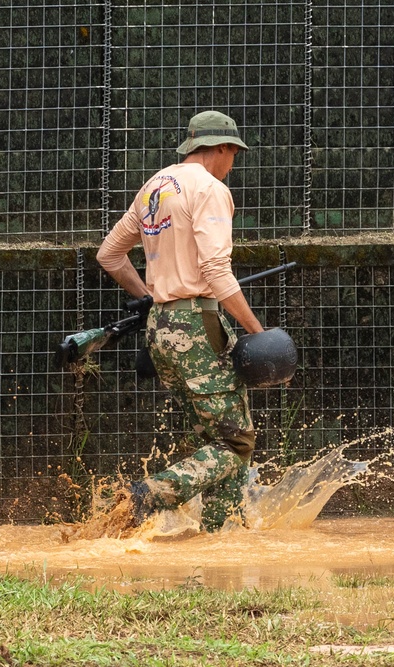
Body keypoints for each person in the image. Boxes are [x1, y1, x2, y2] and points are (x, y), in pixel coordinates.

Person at [95, 110, 263, 531]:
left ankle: (222, 534)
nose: (233, 163)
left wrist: (150, 297)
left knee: (213, 440)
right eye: (233, 154)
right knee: (235, 441)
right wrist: (258, 333)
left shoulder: (155, 186)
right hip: (197, 325)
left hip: (160, 330)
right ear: (220, 148)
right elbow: (217, 272)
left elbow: (109, 255)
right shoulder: (210, 188)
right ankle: (149, 494)